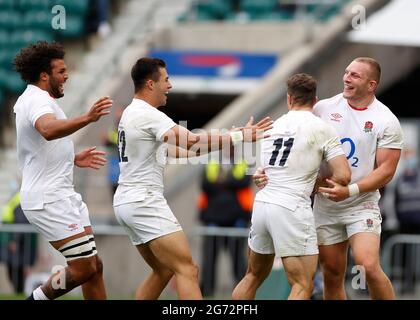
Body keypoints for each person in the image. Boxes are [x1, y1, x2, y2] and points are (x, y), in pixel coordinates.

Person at [112, 57, 272, 300]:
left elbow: (188, 151)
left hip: (127, 202)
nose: (170, 85)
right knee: (188, 269)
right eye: (166, 80)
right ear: (150, 84)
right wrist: (236, 138)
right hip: (143, 201)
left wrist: (234, 135)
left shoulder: (132, 114)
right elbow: (192, 140)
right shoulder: (148, 114)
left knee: (164, 269)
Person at [254, 57, 404, 300]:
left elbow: (386, 170)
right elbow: (291, 141)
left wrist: (351, 190)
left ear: (371, 84)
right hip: (325, 204)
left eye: (355, 75)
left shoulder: (386, 120)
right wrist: (266, 171)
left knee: (368, 265)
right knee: (332, 274)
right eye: (346, 72)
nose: (346, 78)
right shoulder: (324, 108)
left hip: (360, 203)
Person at [232, 73, 350, 300]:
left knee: (252, 276)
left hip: (263, 205)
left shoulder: (273, 126)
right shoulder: (321, 128)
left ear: (289, 99)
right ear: (315, 101)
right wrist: (318, 182)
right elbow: (343, 175)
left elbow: (262, 173)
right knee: (302, 285)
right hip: (292, 207)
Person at [13, 41, 112, 300]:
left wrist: (71, 157)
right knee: (84, 268)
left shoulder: (40, 99)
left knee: (94, 268)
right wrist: (87, 118)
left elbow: (43, 143)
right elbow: (47, 130)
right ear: (44, 75)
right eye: (61, 71)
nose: (66, 76)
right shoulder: (35, 99)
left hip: (62, 195)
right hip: (48, 199)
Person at [198, 146, 253, 297]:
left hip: (236, 220)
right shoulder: (212, 163)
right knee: (209, 260)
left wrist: (221, 181)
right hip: (213, 220)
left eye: (232, 147)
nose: (229, 149)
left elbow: (243, 182)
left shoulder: (242, 163)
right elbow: (205, 184)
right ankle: (207, 293)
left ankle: (242, 294)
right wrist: (230, 182)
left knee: (238, 261)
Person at [1, 192, 38, 294]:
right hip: (16, 242)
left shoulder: (20, 198)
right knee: (15, 270)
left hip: (18, 244)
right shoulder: (18, 197)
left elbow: (21, 220)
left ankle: (20, 291)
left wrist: (14, 240)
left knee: (17, 271)